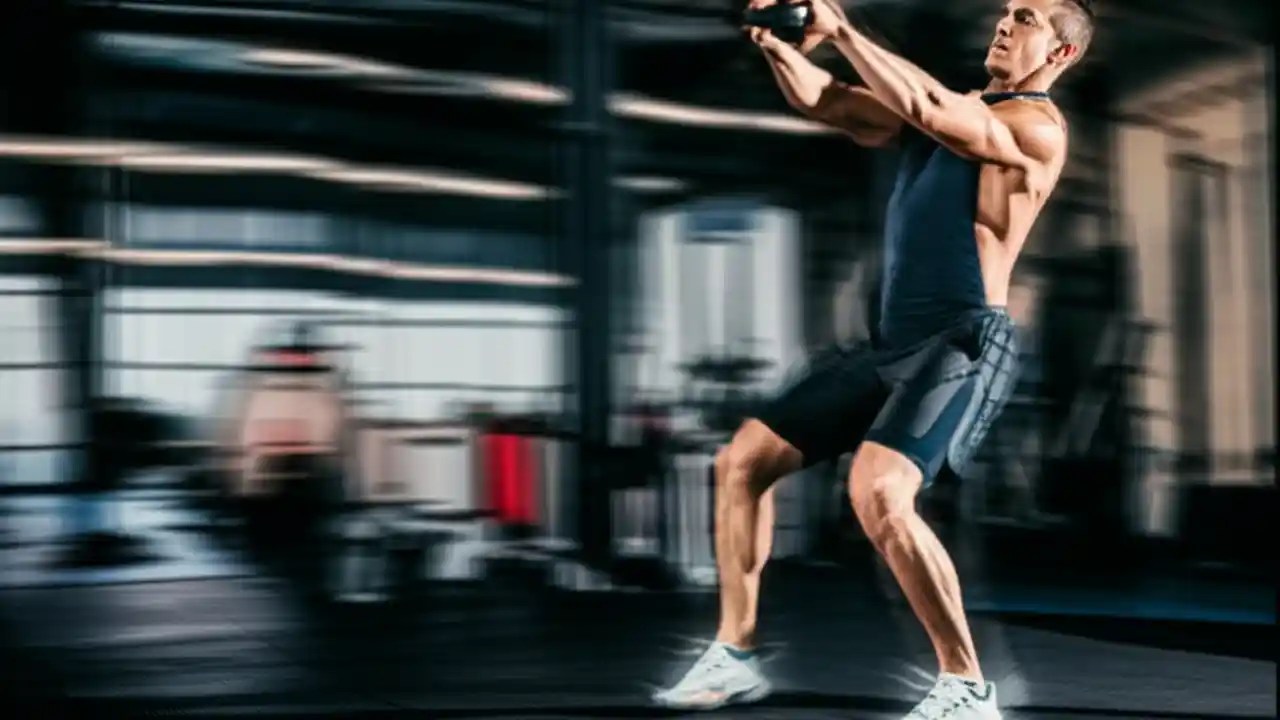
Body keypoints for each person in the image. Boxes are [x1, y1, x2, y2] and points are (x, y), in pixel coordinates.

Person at [652, 0, 1093, 717]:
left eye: (1028, 17)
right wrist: (775, 42)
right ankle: (734, 654)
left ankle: (965, 686)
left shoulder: (1033, 128)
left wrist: (844, 28)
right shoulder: (946, 116)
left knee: (879, 492)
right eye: (1006, 11)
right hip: (892, 345)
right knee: (743, 462)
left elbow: (922, 100)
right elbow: (830, 103)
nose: (1006, 22)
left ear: (1061, 55)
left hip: (963, 341)